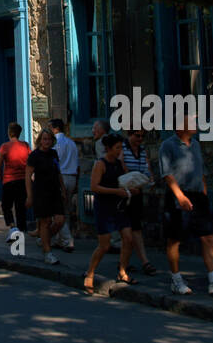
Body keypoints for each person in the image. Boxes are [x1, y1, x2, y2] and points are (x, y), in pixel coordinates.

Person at [159, 115, 213, 295]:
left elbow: (201, 172)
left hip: (198, 196)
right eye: (191, 123)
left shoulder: (197, 144)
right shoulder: (167, 145)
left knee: (208, 237)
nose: (195, 125)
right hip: (179, 195)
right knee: (175, 239)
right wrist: (180, 197)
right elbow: (167, 175)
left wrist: (204, 193)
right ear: (179, 127)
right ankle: (176, 280)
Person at [82, 132, 136, 293]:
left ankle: (122, 272)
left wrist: (131, 188)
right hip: (104, 207)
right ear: (108, 148)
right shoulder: (101, 164)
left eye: (121, 147)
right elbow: (94, 187)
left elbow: (125, 180)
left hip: (119, 206)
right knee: (104, 245)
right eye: (117, 148)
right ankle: (90, 273)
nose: (120, 150)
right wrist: (116, 191)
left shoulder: (119, 164)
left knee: (128, 238)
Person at [25, 128, 66, 265]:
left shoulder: (54, 154)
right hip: (41, 192)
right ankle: (47, 252)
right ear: (40, 140)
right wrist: (30, 195)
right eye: (44, 139)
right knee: (45, 221)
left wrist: (63, 189)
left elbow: (58, 172)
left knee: (60, 220)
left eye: (48, 139)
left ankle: (44, 238)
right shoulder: (35, 155)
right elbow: (27, 176)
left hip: (55, 191)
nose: (46, 142)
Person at [121, 128, 158, 274]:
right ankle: (141, 261)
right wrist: (132, 182)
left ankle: (130, 262)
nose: (140, 139)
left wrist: (149, 178)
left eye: (142, 136)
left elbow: (146, 166)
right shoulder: (122, 147)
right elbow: (121, 165)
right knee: (129, 229)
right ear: (130, 134)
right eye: (137, 135)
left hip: (137, 192)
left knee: (134, 228)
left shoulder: (141, 150)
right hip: (126, 192)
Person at [0, 123, 29, 245]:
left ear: (9, 132)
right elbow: (29, 162)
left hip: (9, 180)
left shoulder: (5, 146)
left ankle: (12, 226)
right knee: (20, 206)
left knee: (6, 206)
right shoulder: (25, 145)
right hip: (22, 180)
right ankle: (20, 229)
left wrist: (1, 177)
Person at [48, 118, 78, 251]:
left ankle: (67, 239)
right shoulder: (71, 143)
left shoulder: (56, 143)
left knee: (58, 210)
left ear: (55, 129)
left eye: (50, 128)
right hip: (72, 177)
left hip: (61, 177)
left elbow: (55, 163)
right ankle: (61, 239)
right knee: (65, 209)